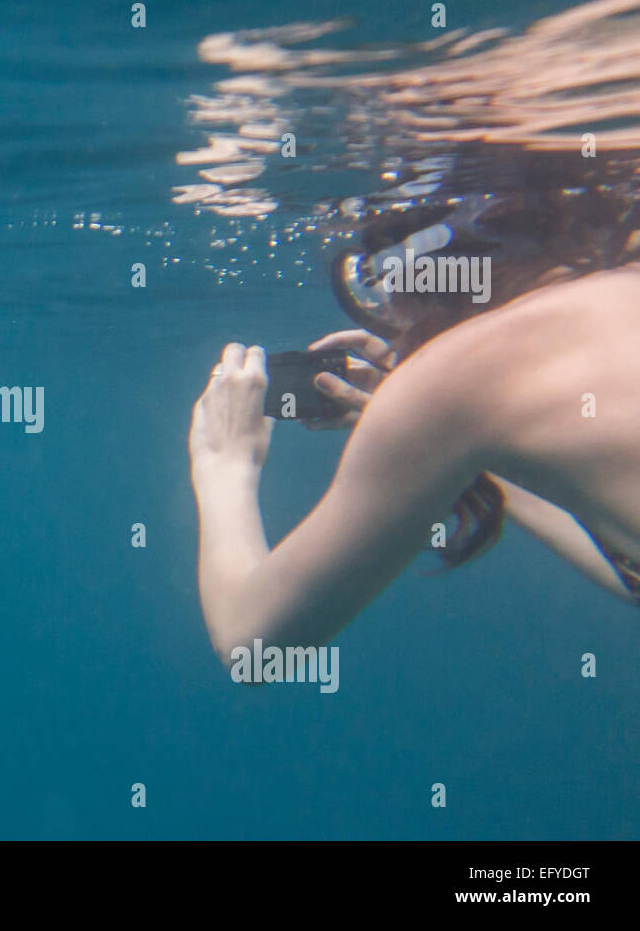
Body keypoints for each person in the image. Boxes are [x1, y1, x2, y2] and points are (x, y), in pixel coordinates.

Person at [189, 193, 640, 664]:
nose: (380, 309)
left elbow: (254, 646)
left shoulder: (450, 378)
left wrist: (224, 464)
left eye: (369, 282)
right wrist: (458, 448)